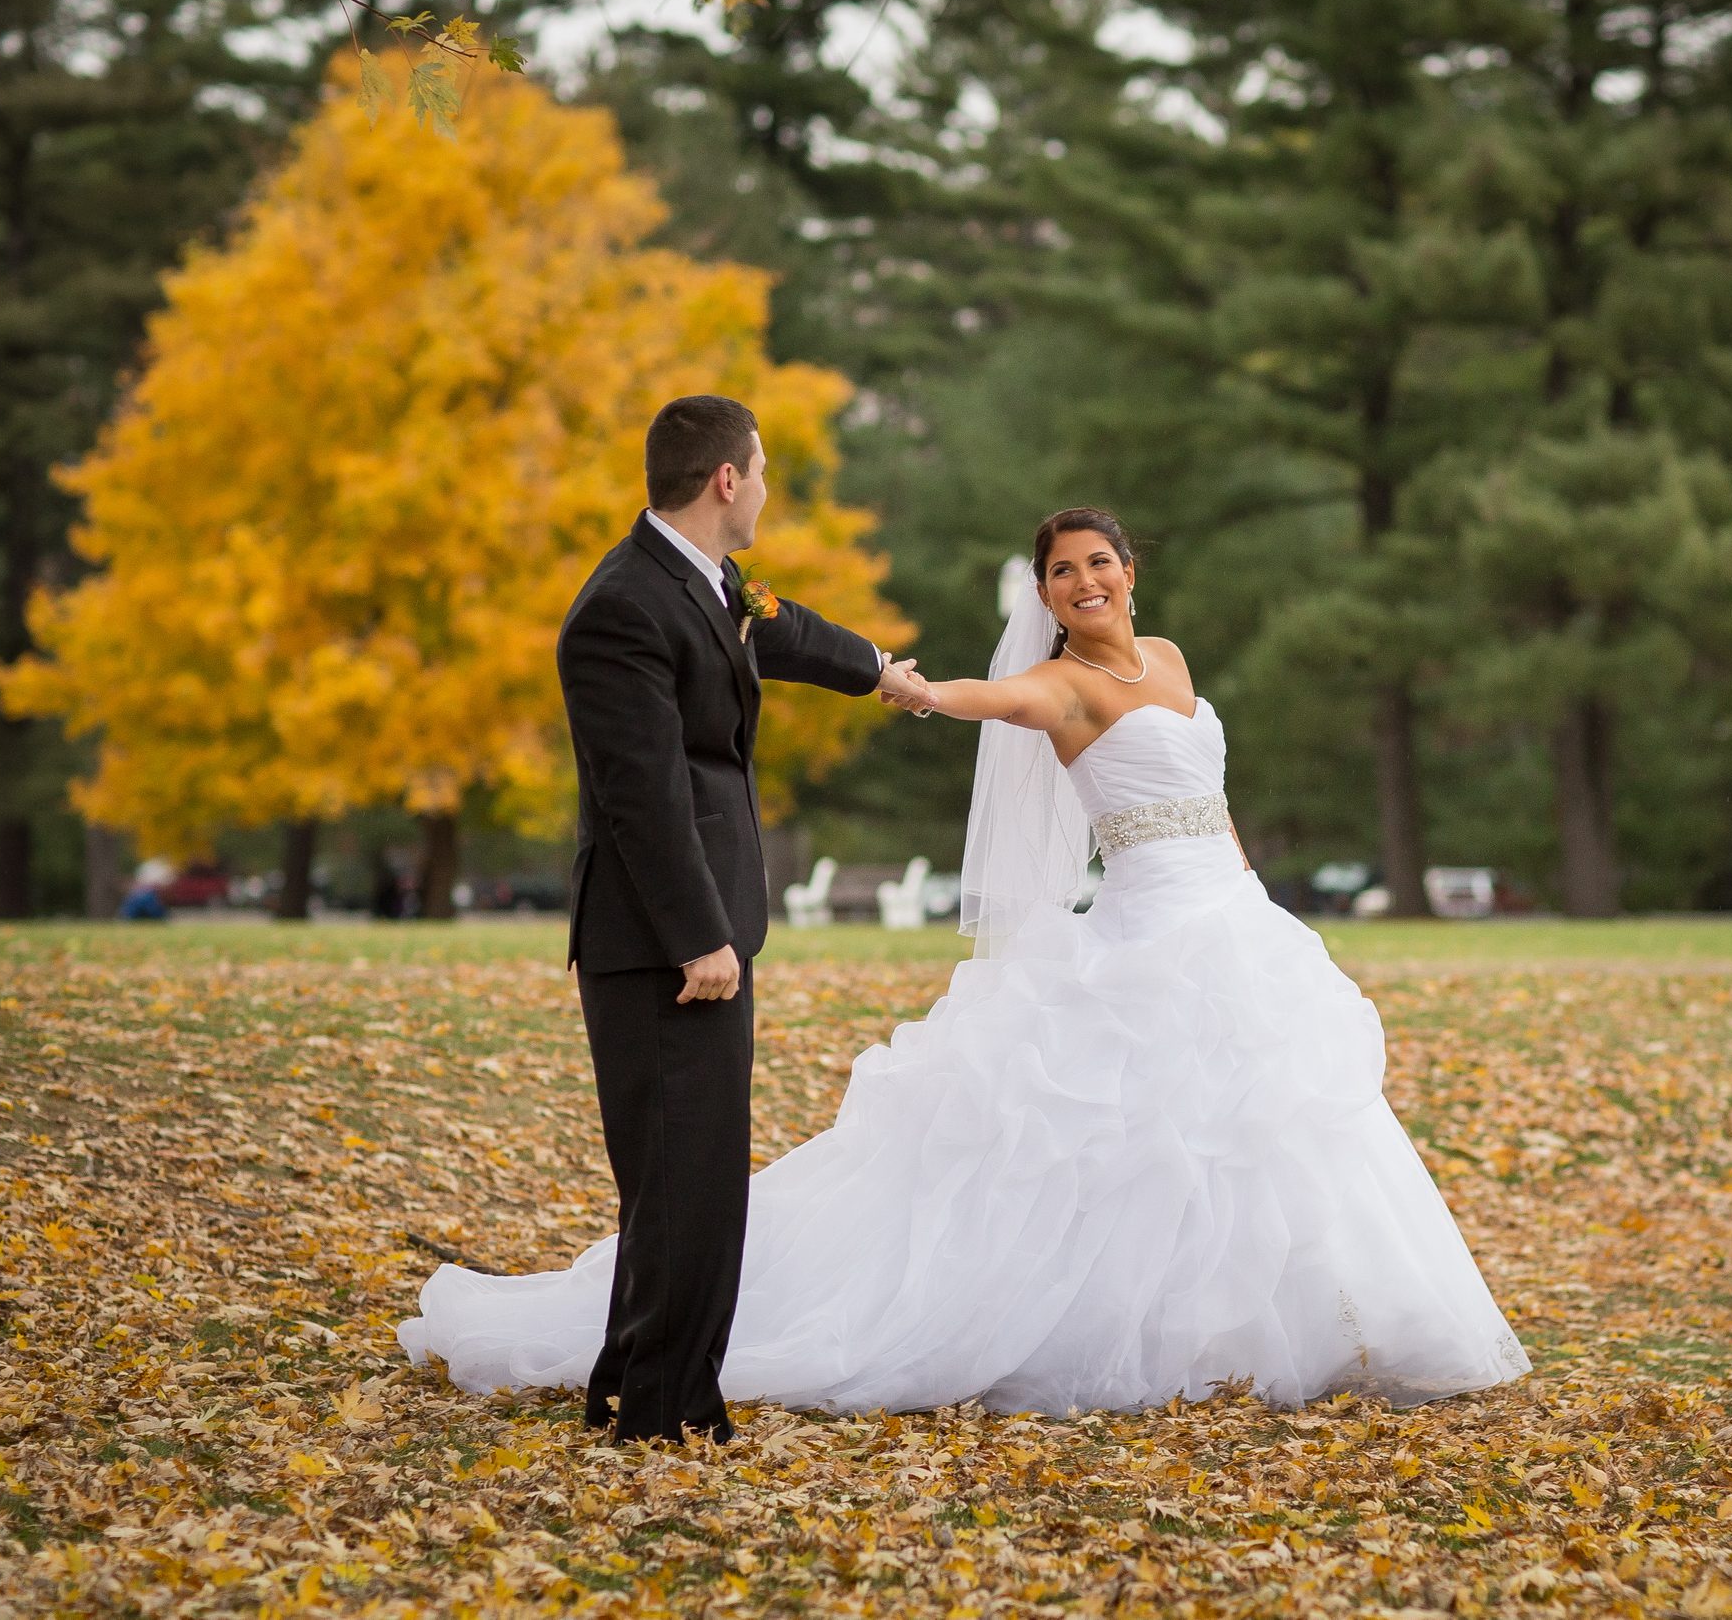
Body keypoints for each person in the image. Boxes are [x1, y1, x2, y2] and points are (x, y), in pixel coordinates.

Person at [401, 505, 1526, 1420]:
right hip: (1145, 939)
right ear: (1044, 596)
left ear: (1130, 572)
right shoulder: (1061, 686)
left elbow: (1209, 800)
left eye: (1097, 563)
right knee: (1138, 1148)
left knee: (1274, 1134)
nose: (1083, 582)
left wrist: (1254, 897)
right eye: (1061, 572)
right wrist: (906, 685)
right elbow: (978, 698)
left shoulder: (1175, 660)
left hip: (1237, 925)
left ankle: (1324, 1327)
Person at [483, 393, 933, 1447]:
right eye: (762, 471)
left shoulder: (706, 579)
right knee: (682, 1180)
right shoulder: (622, 609)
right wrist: (698, 937)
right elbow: (640, 796)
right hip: (663, 944)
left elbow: (782, 628)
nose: (767, 489)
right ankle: (664, 1412)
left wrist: (879, 673)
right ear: (727, 479)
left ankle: (637, 1384)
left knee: (690, 1177)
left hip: (706, 928)